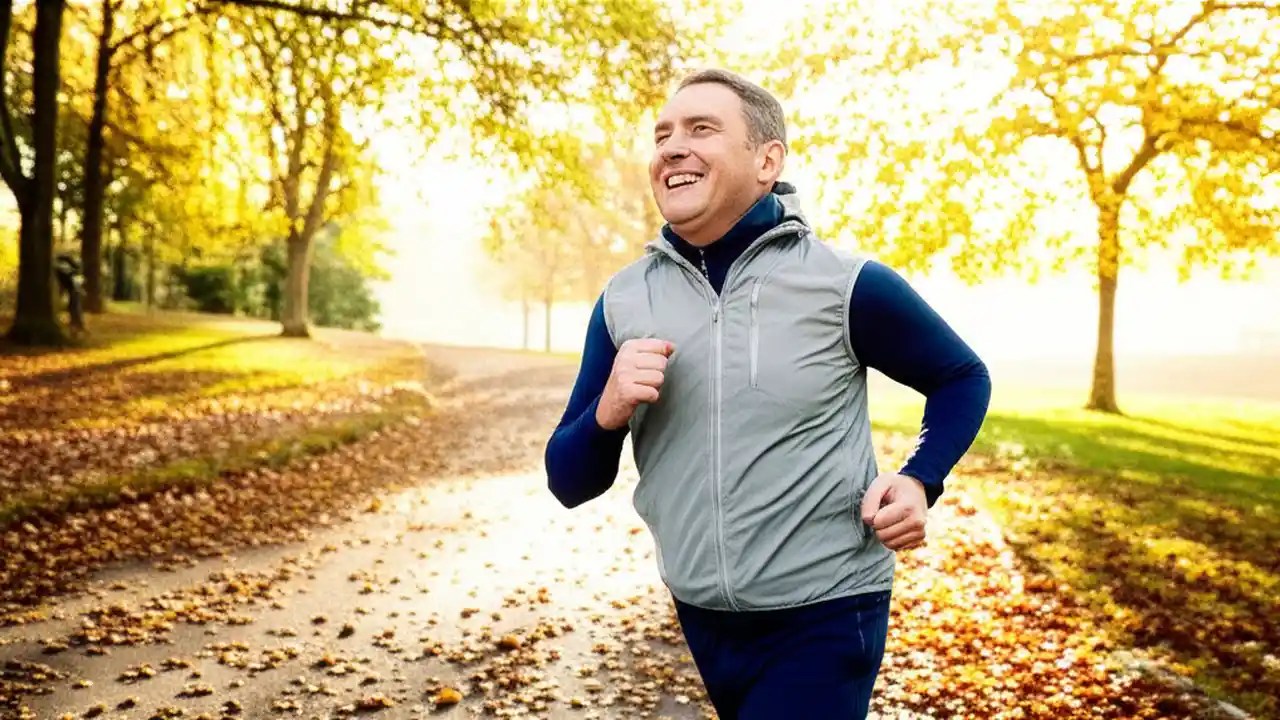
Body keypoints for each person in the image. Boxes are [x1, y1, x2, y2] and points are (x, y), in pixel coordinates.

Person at [544, 68, 991, 719]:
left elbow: (961, 376)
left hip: (827, 610)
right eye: (663, 135)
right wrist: (607, 410)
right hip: (702, 614)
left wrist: (920, 478)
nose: (672, 148)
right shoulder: (624, 299)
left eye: (701, 129)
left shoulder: (844, 284)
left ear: (767, 161)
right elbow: (567, 481)